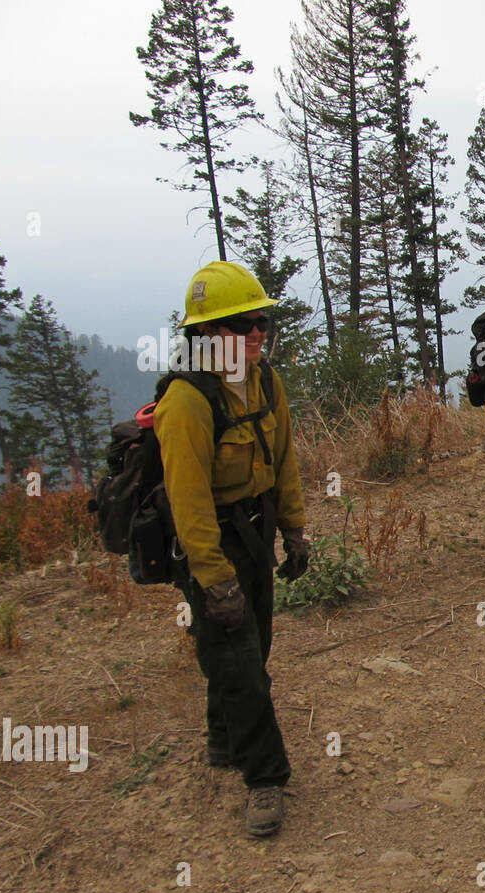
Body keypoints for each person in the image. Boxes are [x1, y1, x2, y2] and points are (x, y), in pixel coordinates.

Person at [154, 261, 310, 838]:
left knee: (252, 647)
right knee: (240, 664)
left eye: (261, 320)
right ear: (205, 335)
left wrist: (294, 530)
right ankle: (264, 777)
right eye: (242, 323)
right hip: (212, 546)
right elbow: (188, 503)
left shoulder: (266, 381)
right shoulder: (187, 402)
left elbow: (285, 460)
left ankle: (223, 740)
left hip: (258, 532)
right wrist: (215, 581)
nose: (257, 332)